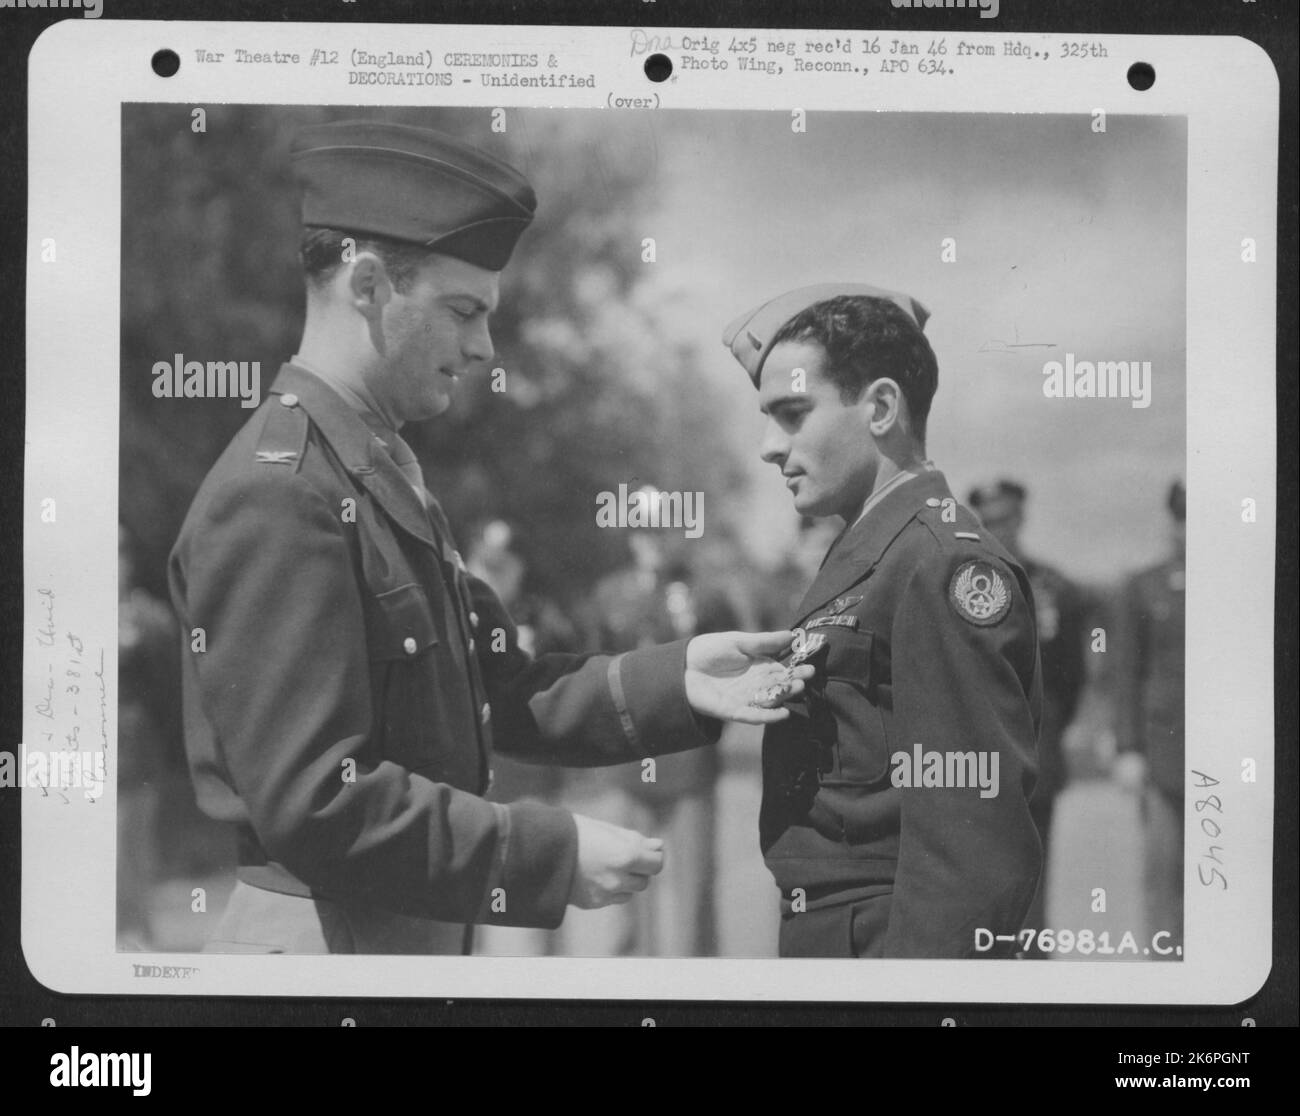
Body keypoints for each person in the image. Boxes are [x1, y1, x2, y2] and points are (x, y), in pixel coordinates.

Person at [168, 120, 807, 955]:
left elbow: (498, 684)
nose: (484, 348)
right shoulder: (280, 493)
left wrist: (679, 678)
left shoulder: (378, 472)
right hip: (328, 948)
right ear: (367, 285)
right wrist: (547, 851)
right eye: (464, 311)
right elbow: (316, 797)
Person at [721, 284, 1043, 958]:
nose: (767, 447)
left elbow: (974, 856)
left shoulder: (938, 562)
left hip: (885, 945)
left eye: (792, 414)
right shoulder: (875, 546)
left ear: (882, 408)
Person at [968, 479, 1090, 956]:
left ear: (1022, 518)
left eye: (1008, 519)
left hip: (1036, 749)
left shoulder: (1053, 588)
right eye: (990, 521)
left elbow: (1072, 676)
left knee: (1033, 883)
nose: (1001, 529)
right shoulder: (960, 580)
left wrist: (1052, 731)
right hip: (972, 756)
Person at [1112, 480, 1186, 954]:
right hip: (1165, 756)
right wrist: (1128, 748)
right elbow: (1125, 673)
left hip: (1233, 758)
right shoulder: (1145, 587)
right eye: (1182, 519)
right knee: (1164, 873)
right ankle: (1165, 975)